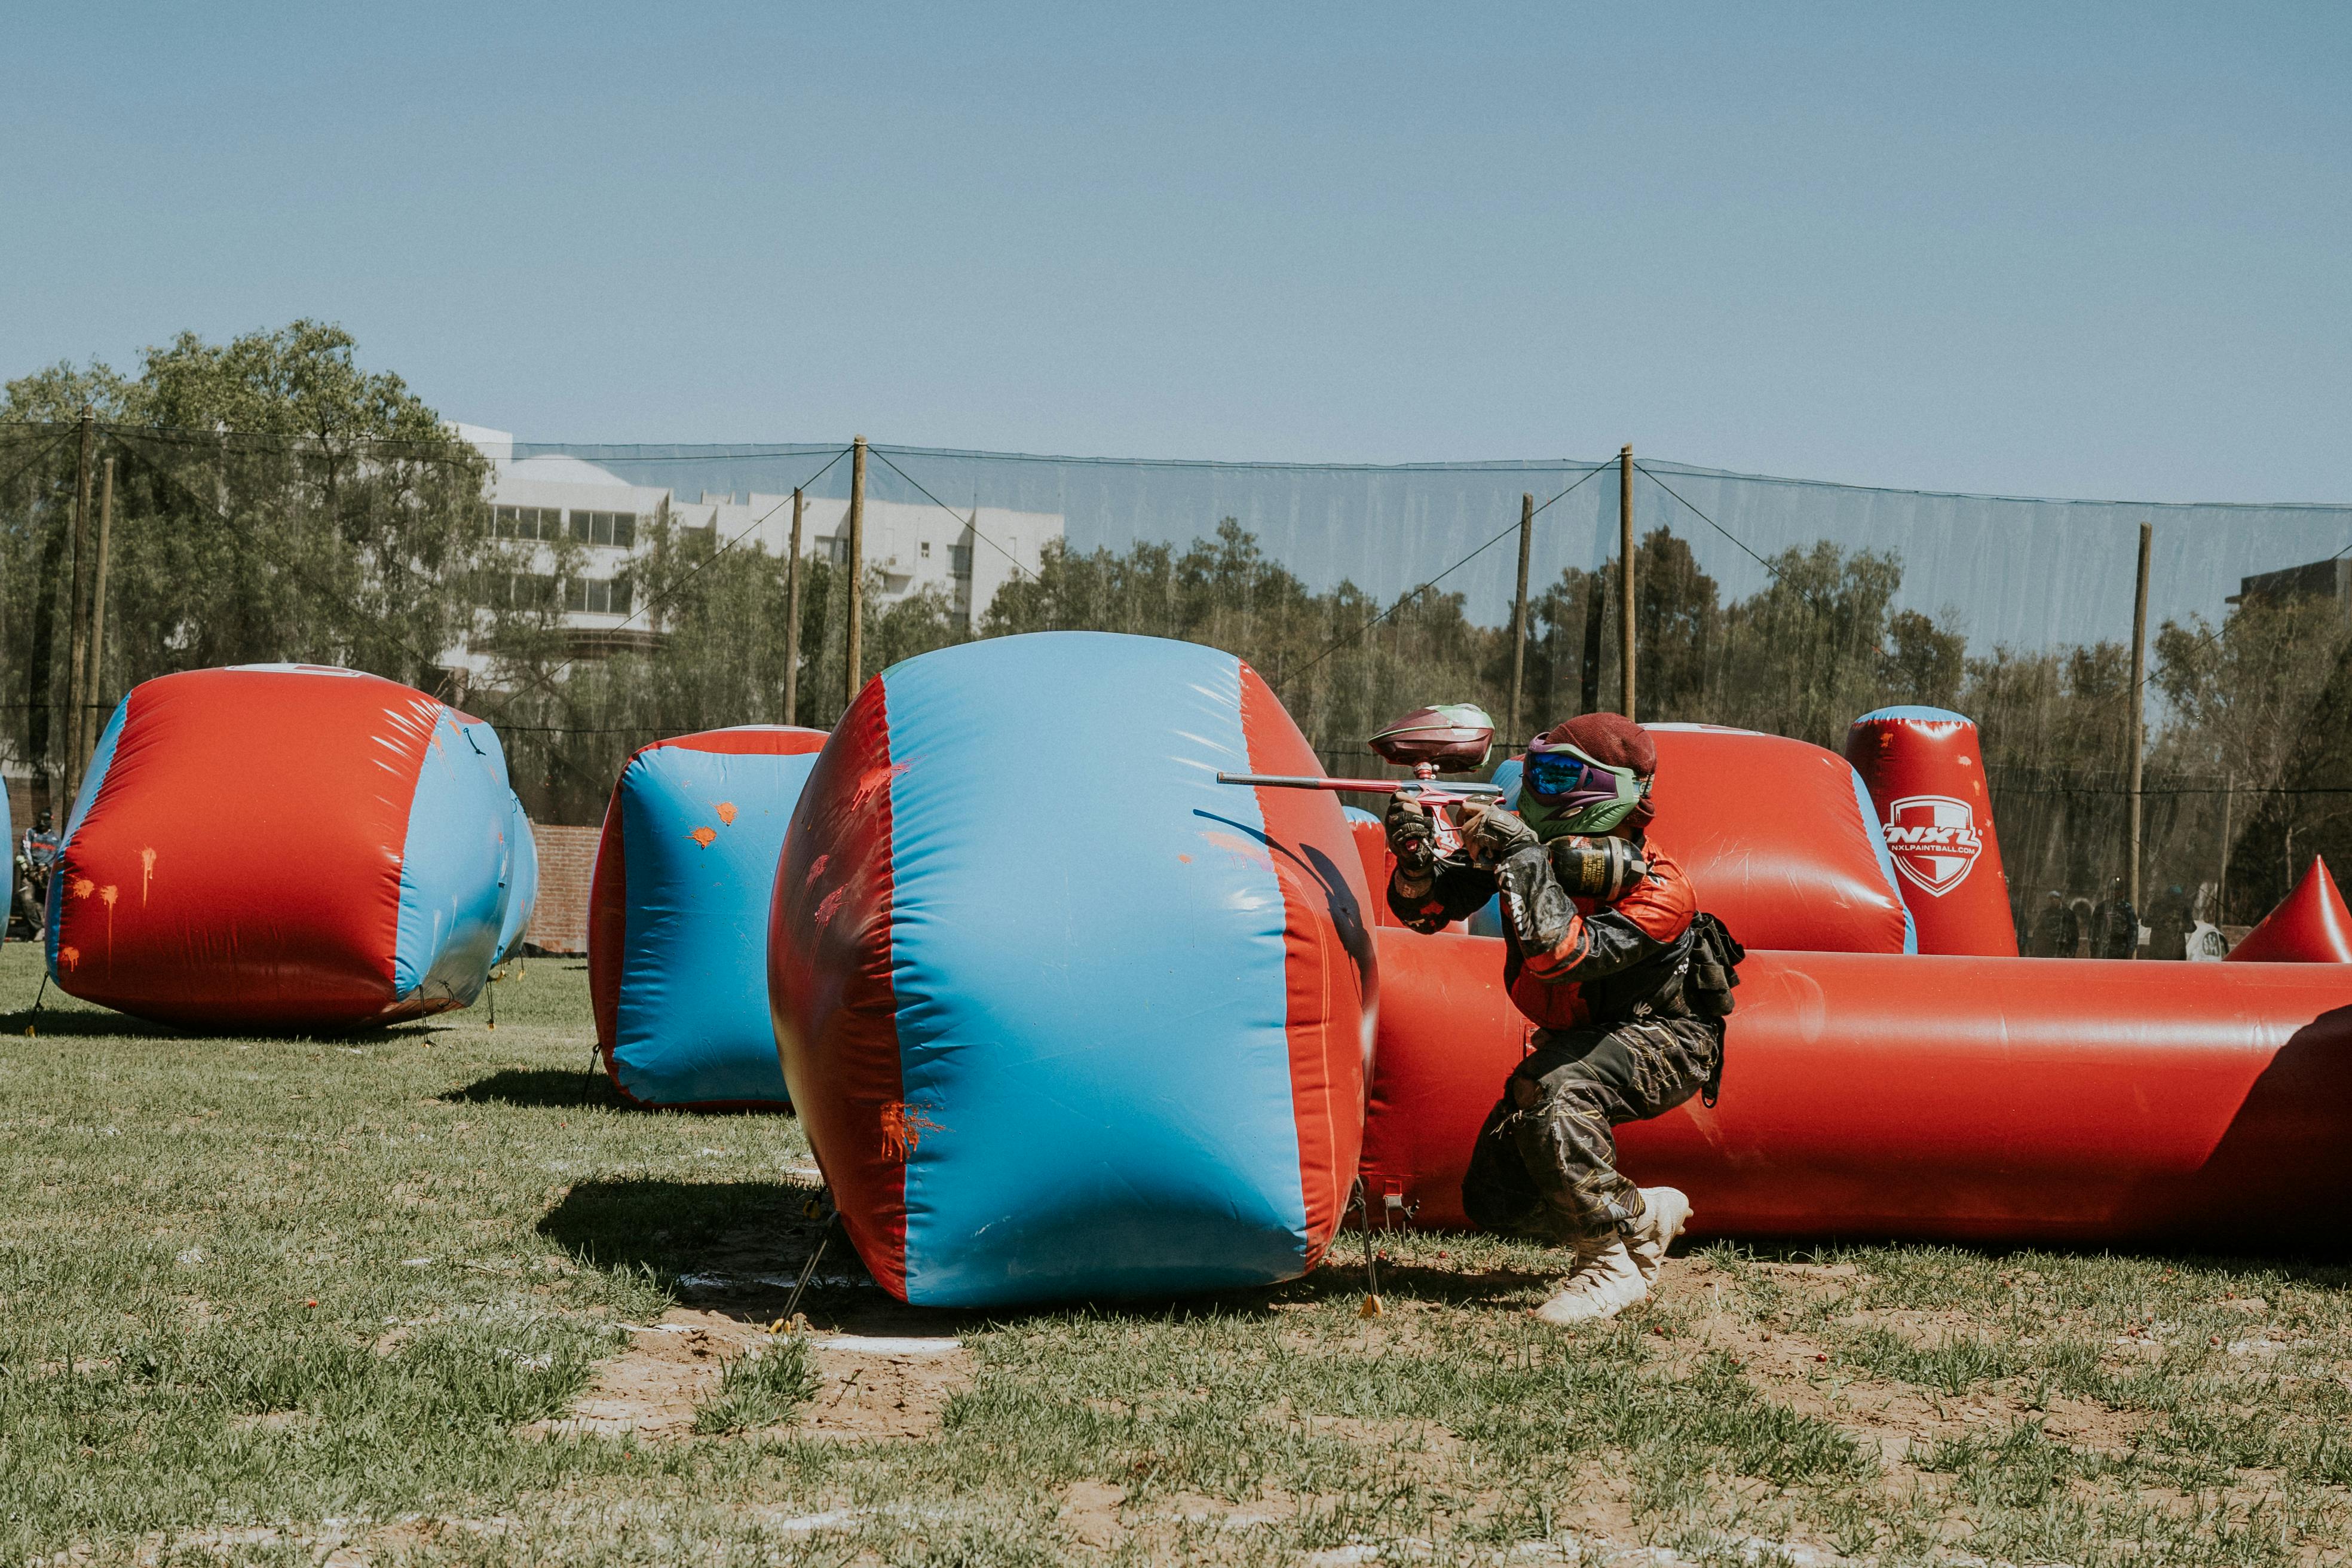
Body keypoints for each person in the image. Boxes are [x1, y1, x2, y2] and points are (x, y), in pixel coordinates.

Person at [1384, 712, 1735, 1325]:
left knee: (1551, 1089)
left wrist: (1521, 853)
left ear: (1611, 791)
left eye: (1556, 776)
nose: (1536, 789)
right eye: (1535, 771)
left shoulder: (1661, 889)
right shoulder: (1531, 850)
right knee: (1496, 1198)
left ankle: (1608, 1266)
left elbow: (1560, 955)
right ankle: (1639, 1216)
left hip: (1670, 1039)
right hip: (1581, 1040)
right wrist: (1416, 861)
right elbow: (1427, 913)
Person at [2092, 875, 2139, 960]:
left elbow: (2133, 931)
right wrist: (2094, 948)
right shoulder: (2101, 907)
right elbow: (2093, 929)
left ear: (2122, 892)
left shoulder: (2127, 908)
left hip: (2121, 949)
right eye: (2111, 890)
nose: (2114, 893)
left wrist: (2130, 950)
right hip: (2104, 949)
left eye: (2117, 890)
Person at [2026, 890, 2078, 958]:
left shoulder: (2068, 914)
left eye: (2056, 898)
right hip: (2048, 948)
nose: (2053, 900)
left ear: (2060, 899)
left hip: (2064, 948)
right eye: (2051, 899)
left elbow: (2074, 933)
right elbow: (2038, 932)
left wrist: (2073, 949)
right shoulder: (2044, 914)